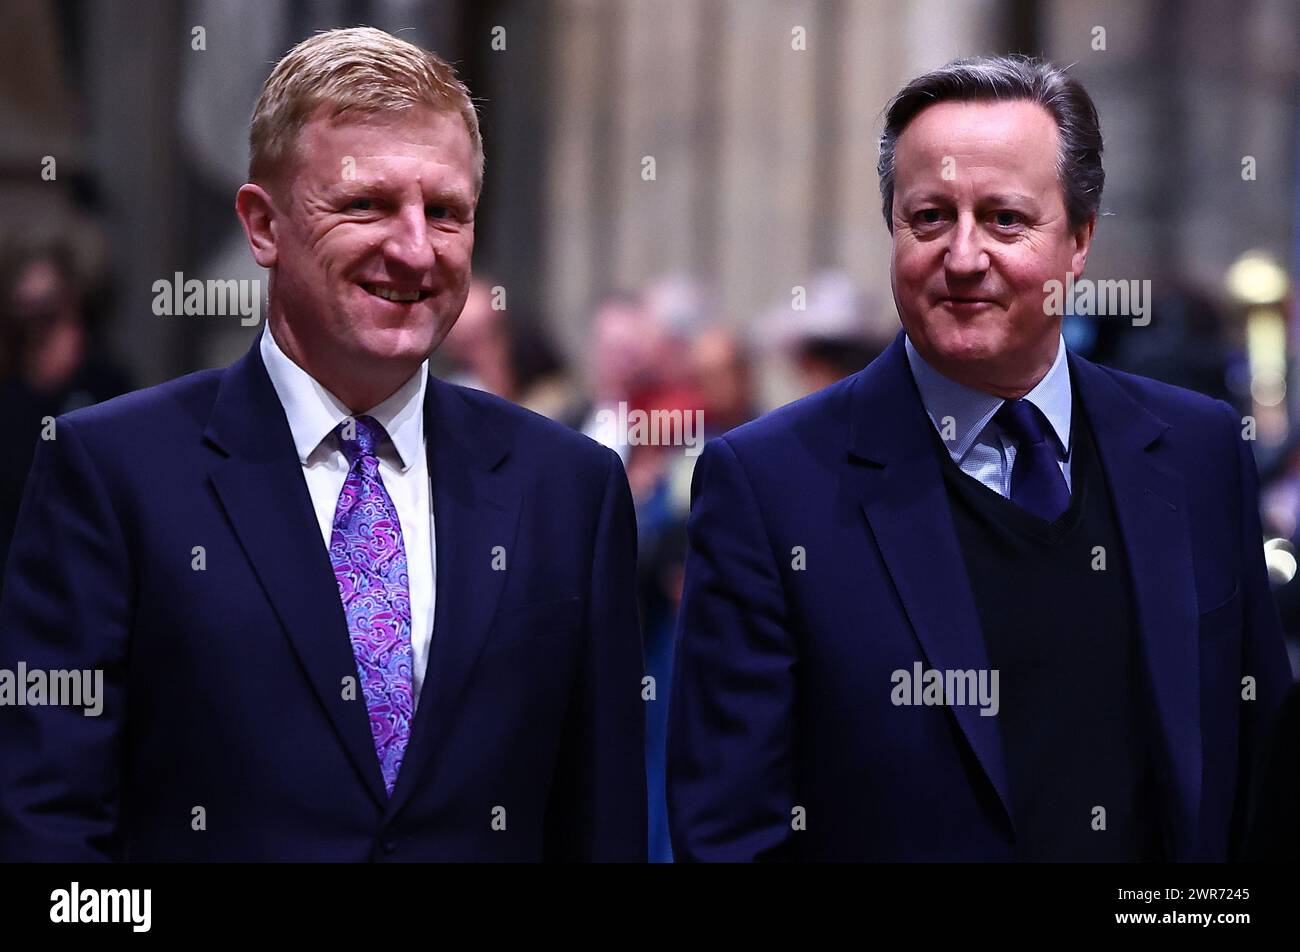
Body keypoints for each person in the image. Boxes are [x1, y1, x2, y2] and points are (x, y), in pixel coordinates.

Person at [0, 27, 646, 862]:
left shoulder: (569, 490)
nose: (415, 249)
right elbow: (48, 833)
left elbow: (602, 829)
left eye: (445, 212)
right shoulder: (115, 472)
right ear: (262, 226)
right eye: (366, 204)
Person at [668, 55, 1290, 862]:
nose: (963, 257)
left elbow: (1263, 786)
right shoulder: (772, 486)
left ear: (1079, 241)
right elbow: (731, 835)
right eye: (929, 218)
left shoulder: (1198, 452)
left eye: (1004, 219)